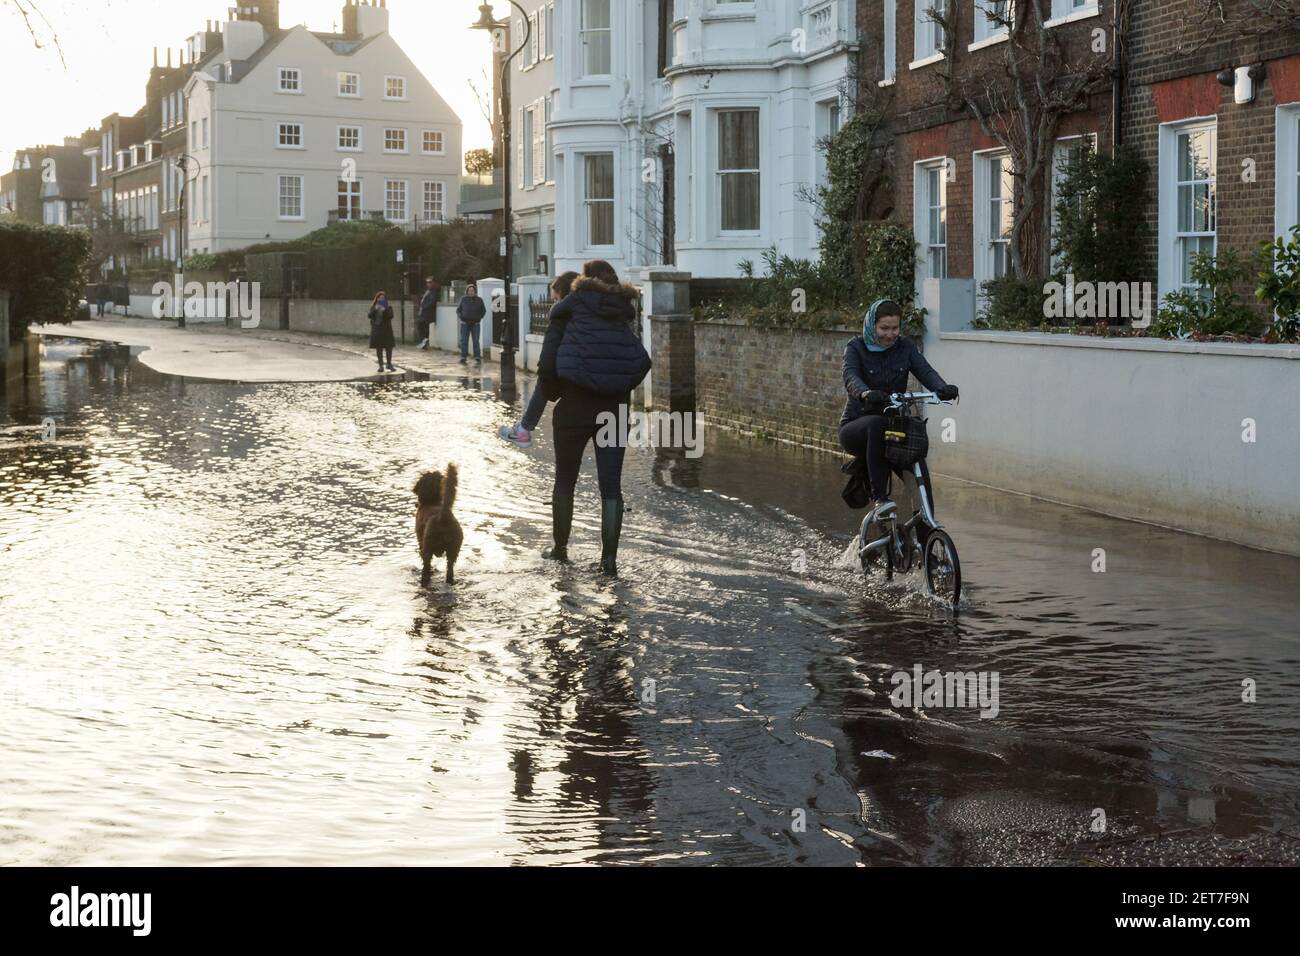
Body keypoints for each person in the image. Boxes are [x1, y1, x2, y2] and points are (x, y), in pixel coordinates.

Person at [537, 259, 651, 576]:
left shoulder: (569, 311)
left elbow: (547, 366)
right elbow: (642, 361)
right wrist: (619, 386)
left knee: (565, 479)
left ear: (582, 283)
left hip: (573, 406)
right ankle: (609, 561)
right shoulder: (621, 315)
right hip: (613, 409)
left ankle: (560, 550)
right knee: (611, 487)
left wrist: (558, 389)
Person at [839, 299, 958, 521]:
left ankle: (927, 536)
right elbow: (850, 376)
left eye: (895, 328)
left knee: (919, 471)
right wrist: (865, 393)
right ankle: (880, 499)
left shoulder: (905, 348)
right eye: (884, 328)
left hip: (895, 431)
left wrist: (942, 388)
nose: (891, 334)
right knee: (877, 423)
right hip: (857, 427)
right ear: (872, 326)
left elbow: (926, 371)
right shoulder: (855, 347)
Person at [498, 270, 580, 448]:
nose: (555, 303)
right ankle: (524, 428)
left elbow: (548, 360)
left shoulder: (562, 316)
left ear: (565, 295)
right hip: (611, 399)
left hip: (572, 381)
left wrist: (546, 378)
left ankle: (524, 429)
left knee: (544, 381)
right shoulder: (595, 313)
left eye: (557, 298)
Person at [456, 282, 486, 364]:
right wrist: (462, 317)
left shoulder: (479, 300)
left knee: (476, 340)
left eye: (472, 290)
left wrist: (478, 318)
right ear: (467, 291)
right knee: (464, 341)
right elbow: (458, 310)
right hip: (464, 324)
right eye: (469, 290)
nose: (471, 292)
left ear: (475, 291)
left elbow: (483, 311)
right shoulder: (463, 299)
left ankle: (477, 357)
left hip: (475, 324)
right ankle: (463, 356)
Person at [368, 290, 396, 372]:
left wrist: (385, 310)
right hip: (377, 330)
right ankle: (381, 365)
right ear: (377, 299)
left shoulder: (388, 307)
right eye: (379, 298)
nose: (381, 300)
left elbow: (391, 316)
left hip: (387, 330)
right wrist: (375, 310)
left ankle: (389, 363)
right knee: (379, 348)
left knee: (389, 348)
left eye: (383, 298)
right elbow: (369, 315)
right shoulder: (373, 307)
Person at [416, 276, 438, 350]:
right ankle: (424, 342)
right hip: (423, 312)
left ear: (433, 283)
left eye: (430, 282)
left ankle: (424, 341)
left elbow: (432, 302)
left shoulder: (433, 291)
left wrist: (424, 307)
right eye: (427, 282)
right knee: (423, 326)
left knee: (422, 325)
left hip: (427, 313)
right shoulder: (428, 291)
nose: (428, 284)